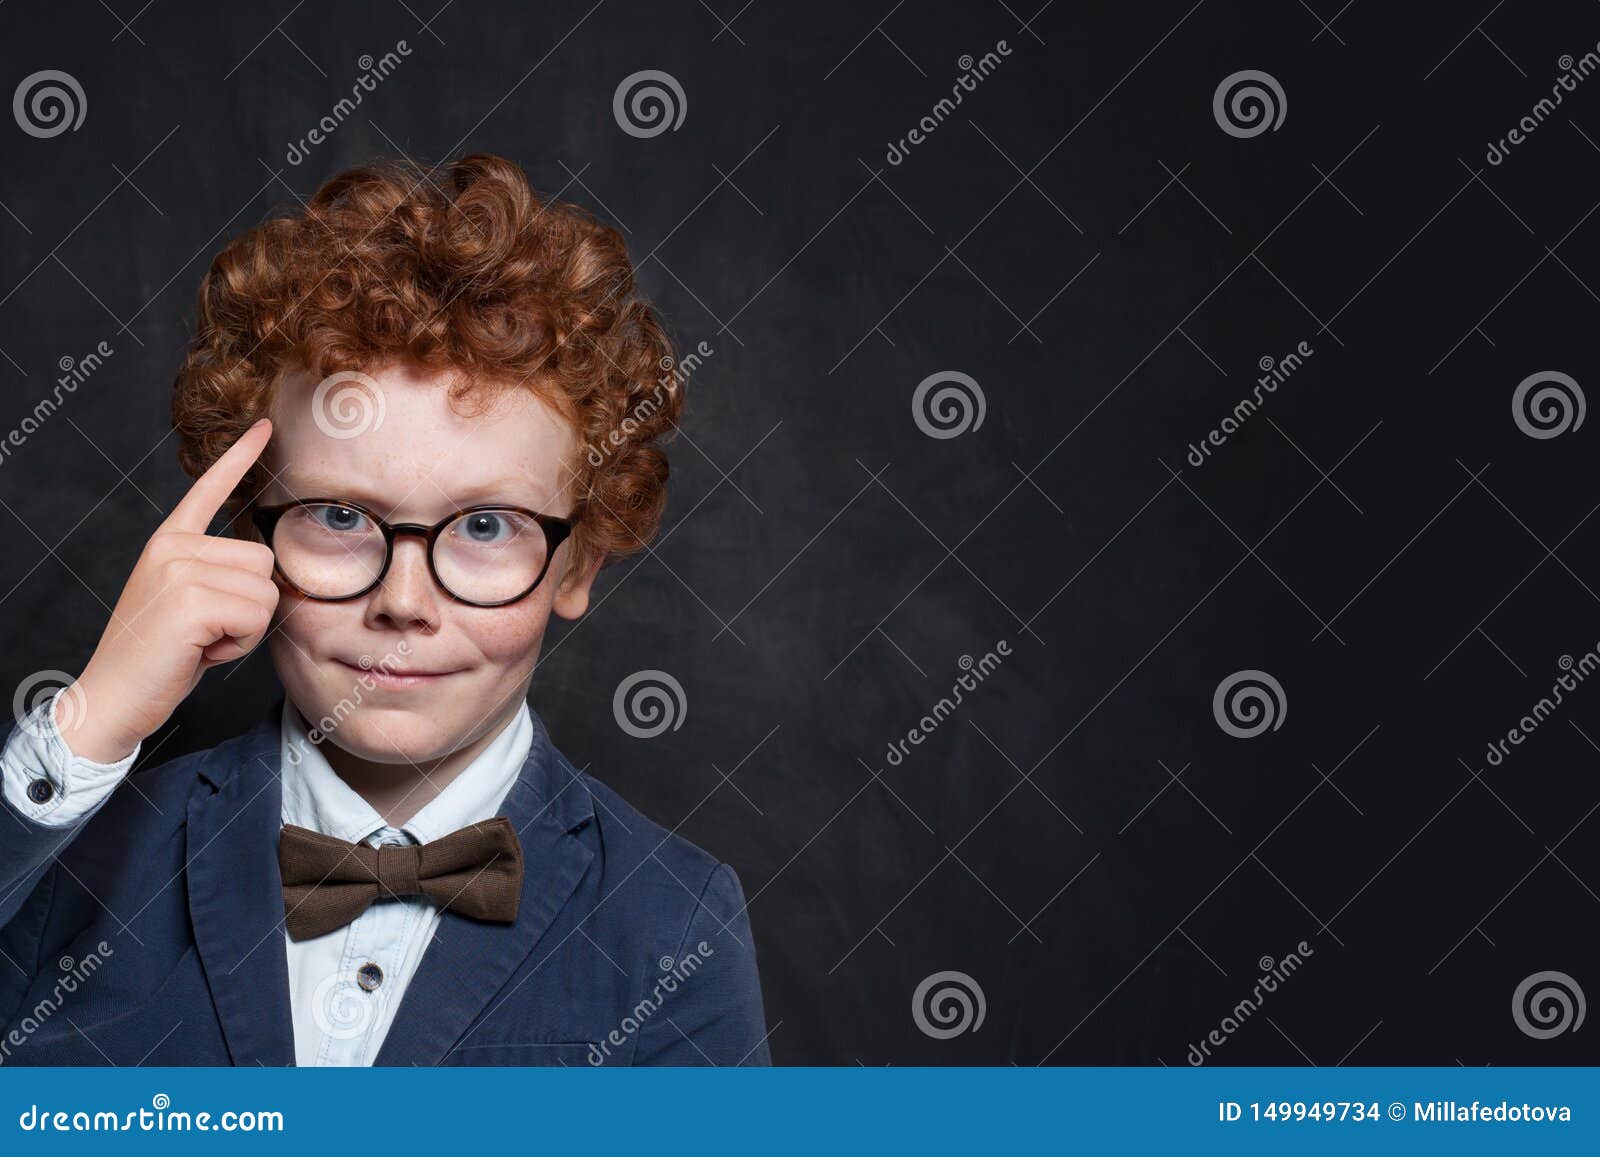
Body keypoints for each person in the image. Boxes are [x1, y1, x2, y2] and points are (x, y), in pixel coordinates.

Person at [0, 153, 769, 1067]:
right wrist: (88, 725)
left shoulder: (675, 924)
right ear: (253, 537)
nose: (404, 601)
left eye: (487, 524)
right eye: (338, 516)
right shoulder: (71, 861)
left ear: (577, 563)